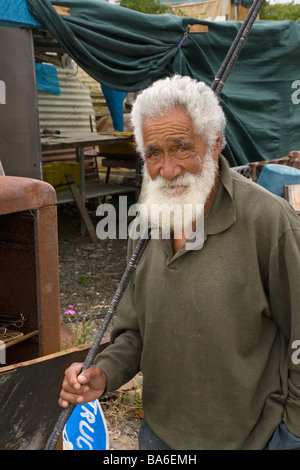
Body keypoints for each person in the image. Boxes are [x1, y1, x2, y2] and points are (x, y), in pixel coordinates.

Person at [59, 75, 300, 450]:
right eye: (153, 152)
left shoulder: (269, 222)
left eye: (181, 147)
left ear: (216, 142)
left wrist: (292, 432)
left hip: (255, 437)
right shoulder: (145, 224)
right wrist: (104, 373)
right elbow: (136, 332)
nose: (167, 169)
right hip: (159, 436)